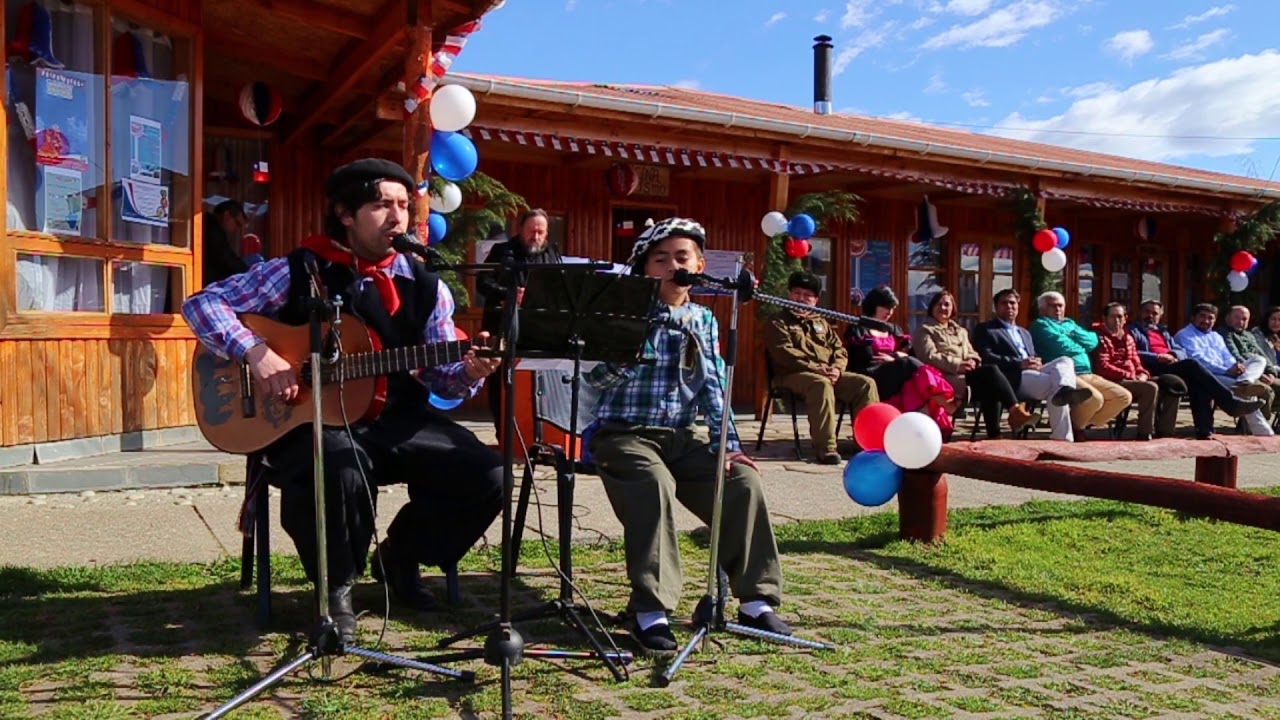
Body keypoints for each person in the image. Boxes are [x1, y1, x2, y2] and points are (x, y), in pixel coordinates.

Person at [182, 159, 505, 642]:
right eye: (382, 205)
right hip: (309, 422)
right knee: (339, 468)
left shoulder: (427, 288)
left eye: (403, 205)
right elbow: (201, 304)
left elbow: (442, 378)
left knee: (488, 474)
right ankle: (335, 589)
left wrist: (469, 372)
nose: (397, 217)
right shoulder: (300, 269)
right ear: (346, 214)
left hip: (398, 419)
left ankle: (401, 554)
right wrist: (257, 353)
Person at [584, 217, 788, 656]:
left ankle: (755, 601)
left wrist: (728, 445)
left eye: (682, 257)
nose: (672, 266)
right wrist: (631, 347)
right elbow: (594, 380)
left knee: (742, 482)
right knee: (653, 483)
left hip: (682, 436)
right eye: (660, 259)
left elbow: (714, 386)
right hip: (625, 436)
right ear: (644, 268)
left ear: (699, 266)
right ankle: (650, 612)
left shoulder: (704, 319)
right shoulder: (623, 311)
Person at [763, 271, 877, 463]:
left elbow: (839, 349)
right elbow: (784, 353)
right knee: (820, 384)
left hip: (827, 373)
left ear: (815, 300)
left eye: (807, 295)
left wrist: (837, 369)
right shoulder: (778, 321)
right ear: (789, 294)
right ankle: (826, 448)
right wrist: (816, 368)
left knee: (865, 384)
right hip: (791, 375)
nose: (801, 299)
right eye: (797, 293)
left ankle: (867, 444)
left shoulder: (821, 322)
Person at [476, 209, 563, 428]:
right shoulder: (503, 252)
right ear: (521, 229)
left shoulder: (551, 254)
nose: (536, 236)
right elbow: (482, 283)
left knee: (539, 387)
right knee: (501, 387)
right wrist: (509, 295)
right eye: (531, 231)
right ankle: (503, 432)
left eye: (540, 232)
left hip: (537, 332)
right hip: (503, 329)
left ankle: (536, 433)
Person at [1128, 299, 1263, 439]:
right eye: (1147, 312)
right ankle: (1230, 403)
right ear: (1140, 312)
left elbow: (1180, 351)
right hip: (1151, 366)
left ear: (1160, 315)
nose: (1150, 316)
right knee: (1193, 365)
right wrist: (1157, 357)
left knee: (1199, 382)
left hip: (1171, 365)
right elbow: (1132, 352)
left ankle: (1205, 431)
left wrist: (1173, 355)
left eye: (1155, 313)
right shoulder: (1133, 330)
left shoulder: (1163, 332)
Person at [911, 289, 1037, 439]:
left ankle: (995, 434)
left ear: (952, 309)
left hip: (967, 376)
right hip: (943, 378)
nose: (943, 308)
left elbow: (972, 352)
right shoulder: (924, 330)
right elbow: (928, 356)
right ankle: (1015, 412)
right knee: (991, 372)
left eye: (947, 305)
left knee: (992, 384)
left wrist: (973, 361)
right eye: (939, 304)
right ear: (932, 307)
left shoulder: (961, 331)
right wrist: (958, 364)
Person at [972, 289, 1092, 442]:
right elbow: (987, 358)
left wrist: (1036, 361)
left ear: (1018, 306)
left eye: (1013, 303)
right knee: (1055, 386)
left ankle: (1065, 391)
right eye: (1004, 303)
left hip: (1033, 373)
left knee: (1065, 361)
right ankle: (1063, 438)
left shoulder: (1024, 332)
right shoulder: (986, 329)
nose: (1009, 306)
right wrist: (1020, 363)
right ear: (996, 307)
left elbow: (1032, 355)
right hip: (1011, 378)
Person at [842, 286, 957, 438]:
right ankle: (947, 403)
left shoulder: (892, 329)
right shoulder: (858, 328)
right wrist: (896, 359)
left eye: (892, 309)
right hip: (871, 374)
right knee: (908, 365)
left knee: (914, 385)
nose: (889, 312)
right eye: (886, 307)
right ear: (874, 305)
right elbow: (866, 357)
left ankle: (923, 433)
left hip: (896, 374)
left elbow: (909, 351)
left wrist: (894, 357)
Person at [1030, 292, 1132, 436]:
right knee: (1094, 398)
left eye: (1060, 305)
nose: (1058, 309)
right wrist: (1081, 346)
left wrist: (1072, 336)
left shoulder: (1069, 323)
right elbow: (1062, 347)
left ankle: (1077, 423)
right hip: (1066, 375)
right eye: (1053, 305)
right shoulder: (1040, 325)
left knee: (1123, 397)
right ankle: (1076, 429)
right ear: (1042, 309)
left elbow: (1093, 341)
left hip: (1088, 373)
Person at [1174, 303, 1274, 436]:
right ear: (1193, 318)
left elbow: (1227, 356)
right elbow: (1198, 360)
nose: (1206, 321)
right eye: (1202, 316)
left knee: (1258, 359)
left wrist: (1236, 366)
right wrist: (1226, 371)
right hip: (1209, 375)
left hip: (1230, 373)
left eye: (1210, 318)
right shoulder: (1185, 335)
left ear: (1215, 320)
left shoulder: (1216, 336)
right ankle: (1263, 431)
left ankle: (1245, 380)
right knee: (1246, 392)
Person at [1091, 303, 1181, 440]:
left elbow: (1136, 361)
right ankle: (1145, 432)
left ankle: (1165, 431)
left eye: (1120, 316)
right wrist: (1130, 375)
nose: (1117, 320)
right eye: (1113, 317)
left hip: (1133, 378)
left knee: (1173, 384)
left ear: (1125, 318)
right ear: (1105, 318)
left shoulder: (1128, 337)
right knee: (1150, 388)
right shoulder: (1100, 337)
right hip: (1113, 380)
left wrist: (1143, 374)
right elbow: (1103, 366)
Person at [1221, 305, 1280, 419]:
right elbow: (1235, 355)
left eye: (1244, 319)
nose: (1240, 322)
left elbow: (1262, 355)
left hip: (1262, 371)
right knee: (1266, 391)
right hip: (1244, 373)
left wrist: (1271, 373)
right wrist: (1260, 373)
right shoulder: (1225, 334)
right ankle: (1259, 424)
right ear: (1228, 318)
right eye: (1237, 318)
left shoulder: (1248, 335)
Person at [202, 199, 249, 286]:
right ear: (226, 215)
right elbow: (226, 258)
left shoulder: (211, 227)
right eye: (237, 223)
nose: (237, 230)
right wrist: (249, 273)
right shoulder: (212, 230)